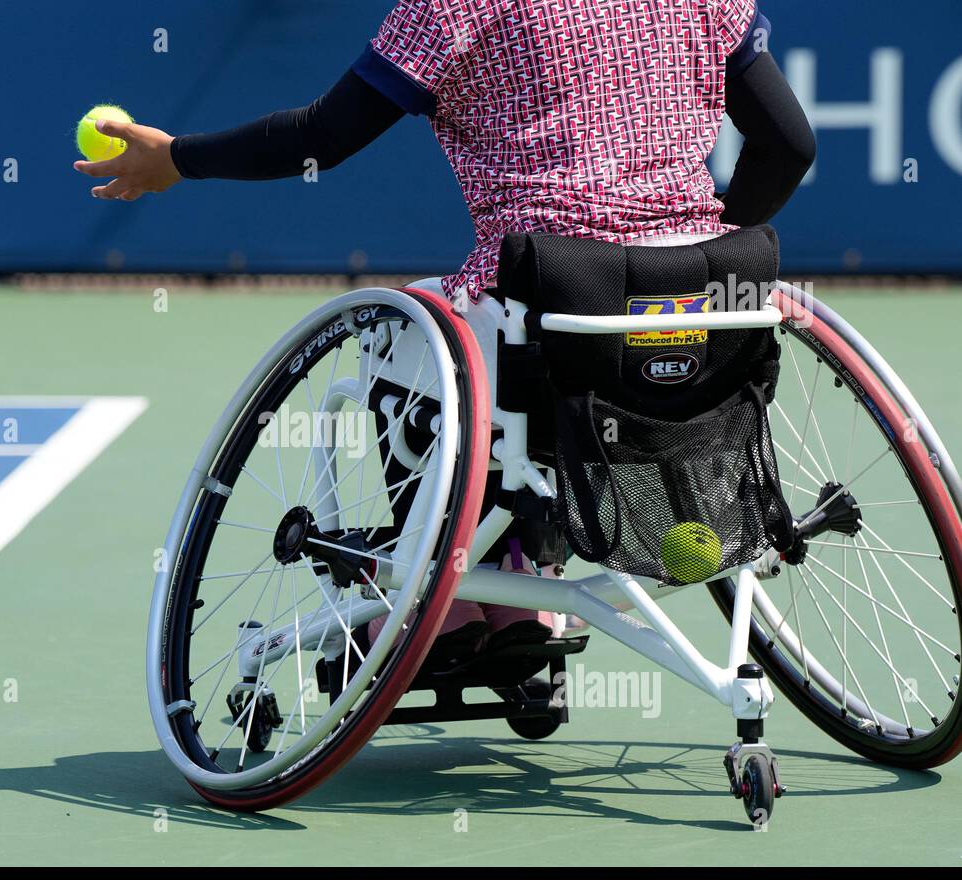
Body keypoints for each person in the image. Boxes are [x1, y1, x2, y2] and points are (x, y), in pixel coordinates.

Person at [75, 0, 816, 654]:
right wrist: (703, 261)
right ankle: (518, 569)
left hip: (552, 313)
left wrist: (177, 158)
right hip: (706, 319)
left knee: (404, 330)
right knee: (486, 337)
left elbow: (318, 137)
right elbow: (790, 145)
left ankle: (455, 595)